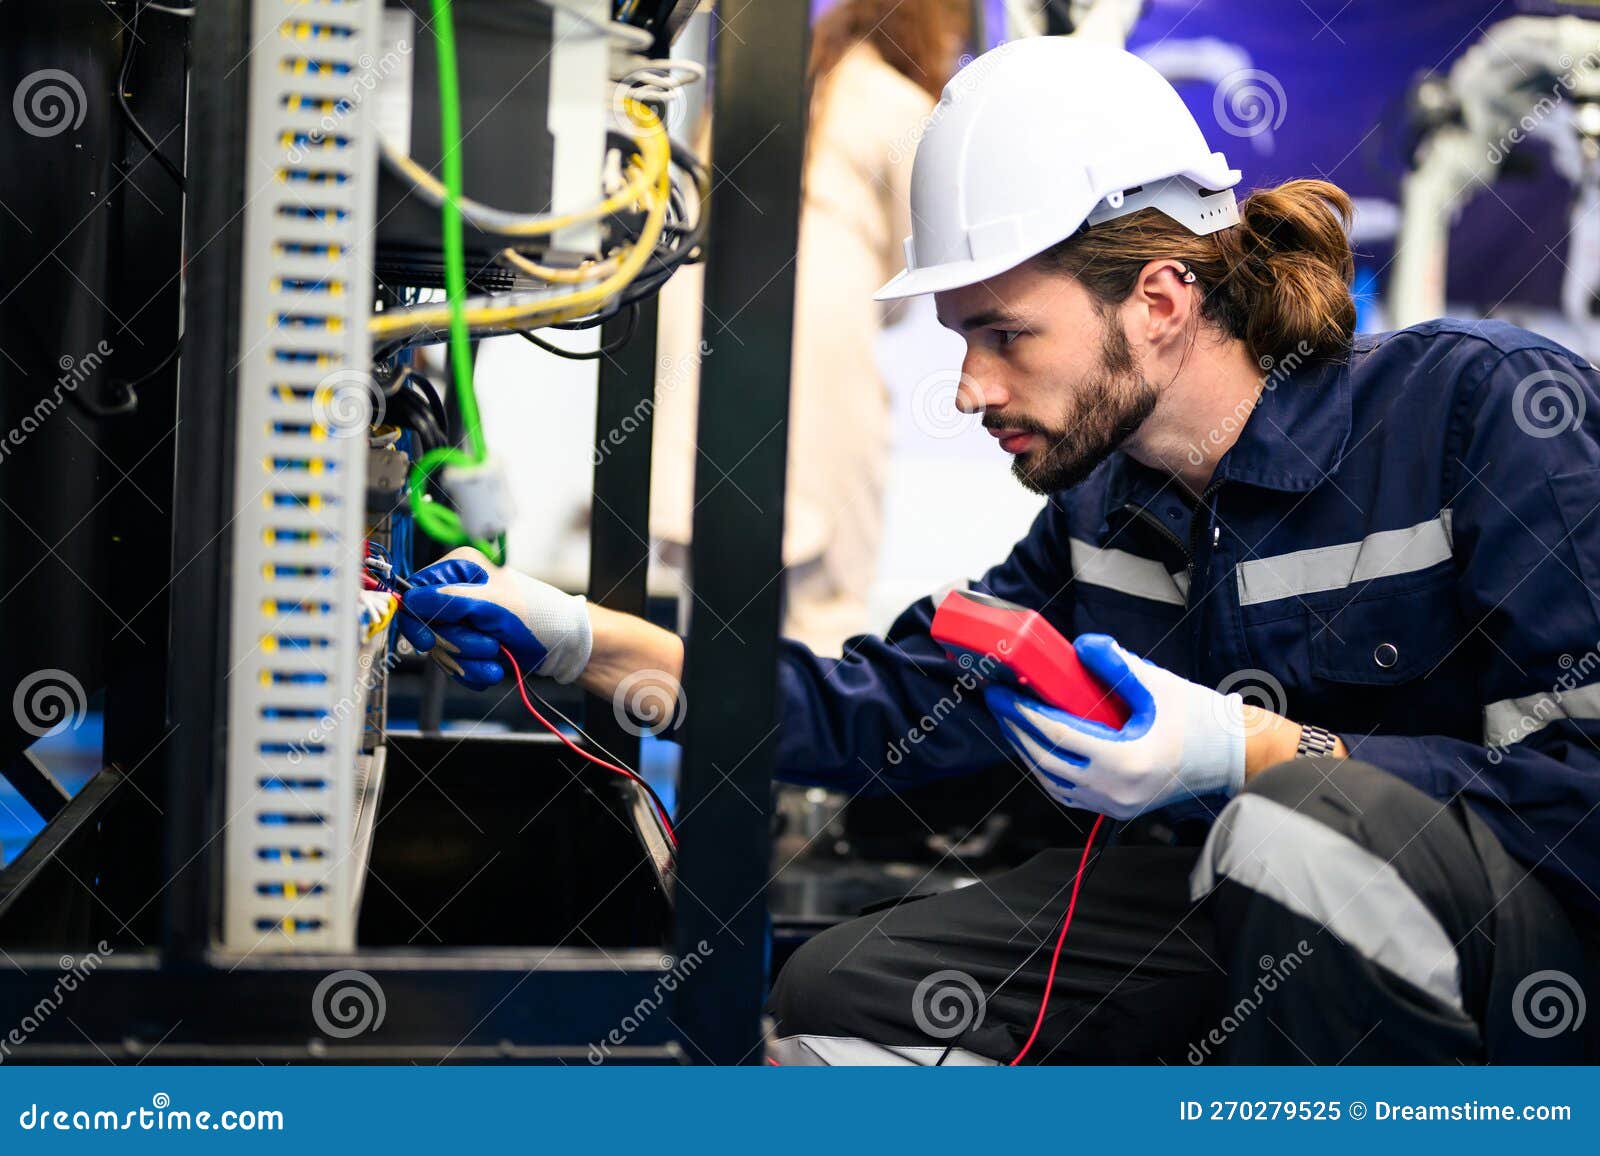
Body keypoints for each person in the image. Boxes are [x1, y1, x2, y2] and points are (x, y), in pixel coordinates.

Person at [397, 37, 1600, 1064]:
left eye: (1003, 335)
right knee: (831, 991)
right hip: (1235, 910)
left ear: (1163, 301)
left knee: (1289, 829)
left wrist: (1252, 753)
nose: (968, 387)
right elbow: (880, 708)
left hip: (1523, 945)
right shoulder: (1107, 506)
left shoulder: (1477, 415)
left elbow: (1581, 794)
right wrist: (588, 641)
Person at [650, 0, 971, 655]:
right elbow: (918, 269)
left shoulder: (754, 88)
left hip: (704, 321)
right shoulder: (901, 103)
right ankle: (805, 749)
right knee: (823, 609)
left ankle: (713, 751)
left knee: (712, 614)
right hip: (824, 337)